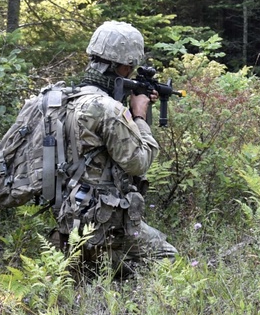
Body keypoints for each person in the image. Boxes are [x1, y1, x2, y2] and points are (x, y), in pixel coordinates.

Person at [54, 21, 177, 272]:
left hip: (67, 213)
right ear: (121, 66)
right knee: (166, 257)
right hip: (101, 220)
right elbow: (138, 162)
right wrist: (139, 115)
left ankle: (85, 264)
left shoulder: (70, 97)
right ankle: (104, 272)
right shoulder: (108, 109)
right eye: (130, 68)